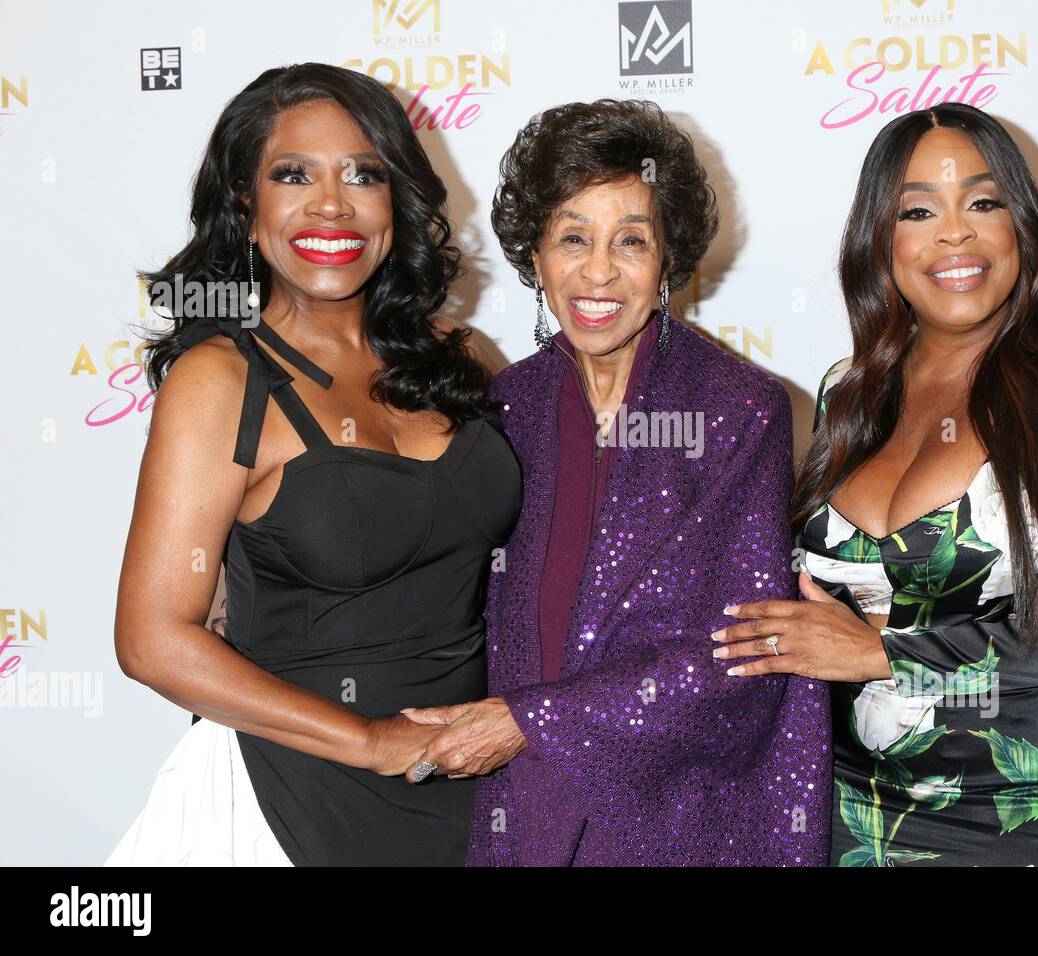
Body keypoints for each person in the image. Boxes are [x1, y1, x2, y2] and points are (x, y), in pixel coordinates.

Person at [713, 103, 1038, 866]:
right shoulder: (850, 393)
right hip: (855, 807)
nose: (954, 232)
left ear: (1022, 224)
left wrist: (884, 655)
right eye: (918, 210)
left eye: (983, 203)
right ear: (880, 242)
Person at [106, 63, 520, 866]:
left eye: (363, 174)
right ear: (244, 205)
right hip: (295, 796)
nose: (331, 203)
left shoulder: (462, 358)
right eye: (292, 174)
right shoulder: (221, 380)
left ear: (396, 201)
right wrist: (370, 739)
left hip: (481, 786)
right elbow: (151, 638)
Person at [400, 99, 830, 865]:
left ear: (669, 261)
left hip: (671, 816)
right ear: (534, 256)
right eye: (572, 238)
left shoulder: (740, 410)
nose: (598, 271)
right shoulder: (500, 409)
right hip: (520, 809)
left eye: (630, 240)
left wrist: (534, 720)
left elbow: (746, 654)